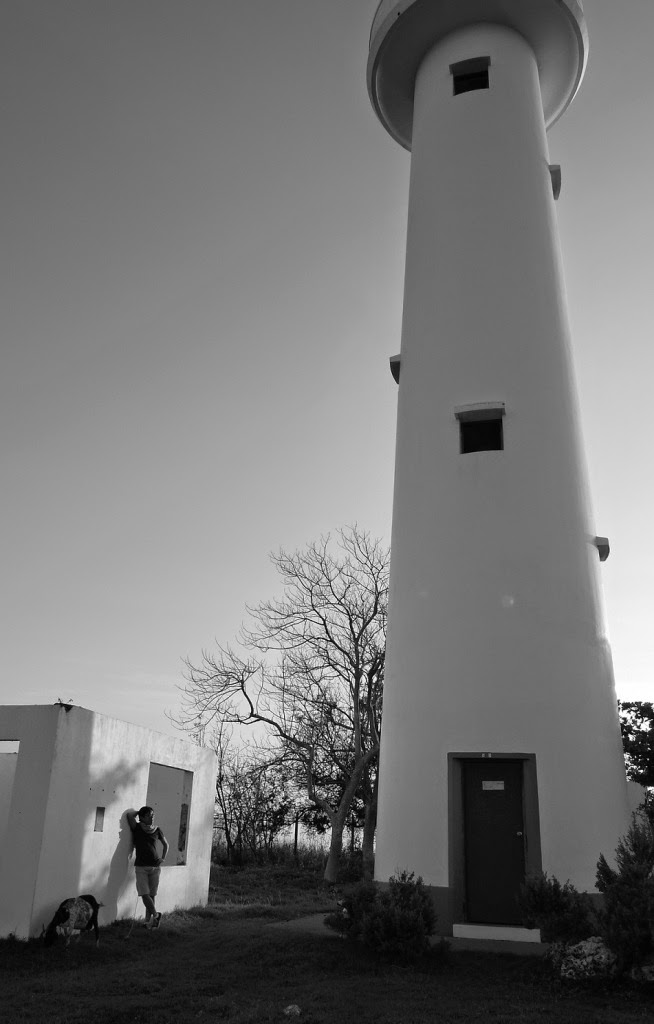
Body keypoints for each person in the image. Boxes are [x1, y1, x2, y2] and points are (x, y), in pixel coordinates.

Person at [126, 805, 169, 928]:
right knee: (144, 894)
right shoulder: (137, 827)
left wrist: (163, 858)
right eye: (150, 815)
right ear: (142, 817)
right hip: (141, 866)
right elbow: (130, 815)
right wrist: (139, 812)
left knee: (152, 895)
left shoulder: (157, 829)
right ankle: (156, 915)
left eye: (153, 815)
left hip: (155, 867)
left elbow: (166, 845)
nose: (152, 818)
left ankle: (148, 922)